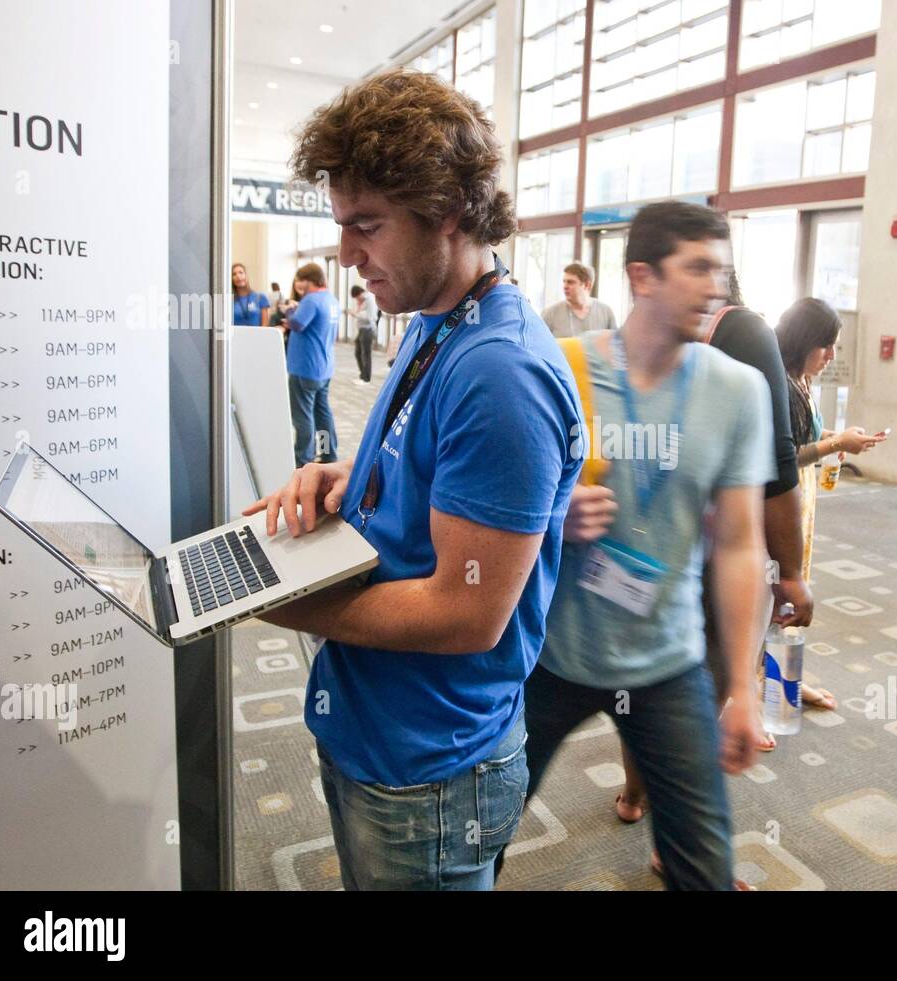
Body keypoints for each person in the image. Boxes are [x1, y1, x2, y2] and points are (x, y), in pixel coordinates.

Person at [243, 68, 582, 891]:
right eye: (342, 226)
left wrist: (273, 597)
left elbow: (468, 611)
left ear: (450, 211)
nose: (348, 255)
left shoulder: (499, 371)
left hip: (430, 766)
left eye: (368, 226)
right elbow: (420, 470)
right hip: (379, 728)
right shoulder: (437, 322)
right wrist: (347, 476)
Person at [501, 201, 772, 890]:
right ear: (643, 276)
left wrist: (743, 686)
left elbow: (741, 546)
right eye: (700, 267)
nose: (718, 286)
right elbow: (490, 496)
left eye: (724, 270)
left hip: (666, 662)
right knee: (477, 835)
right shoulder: (559, 368)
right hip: (549, 652)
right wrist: (551, 515)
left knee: (705, 867)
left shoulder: (738, 391)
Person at [612, 267, 810, 835]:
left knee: (648, 676)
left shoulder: (643, 330)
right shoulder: (745, 330)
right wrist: (792, 573)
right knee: (702, 684)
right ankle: (672, 836)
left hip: (641, 535)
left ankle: (633, 794)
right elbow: (779, 461)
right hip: (709, 544)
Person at [776, 297, 885, 709]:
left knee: (794, 587)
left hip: (803, 497)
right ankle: (755, 693)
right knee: (778, 593)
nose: (831, 355)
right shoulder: (780, 384)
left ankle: (786, 681)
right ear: (804, 340)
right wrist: (836, 443)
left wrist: (838, 439)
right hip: (783, 494)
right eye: (826, 345)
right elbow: (784, 456)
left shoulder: (801, 380)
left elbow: (808, 441)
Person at [284, 262, 340, 466]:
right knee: (323, 414)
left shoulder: (311, 300)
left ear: (311, 281)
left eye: (302, 281)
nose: (300, 285)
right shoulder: (332, 300)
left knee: (303, 416)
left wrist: (290, 311)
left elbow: (297, 324)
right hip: (324, 368)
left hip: (305, 367)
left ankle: (303, 459)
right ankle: (327, 453)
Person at [541, 262, 618, 338]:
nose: (565, 286)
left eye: (570, 282)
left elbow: (616, 345)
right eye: (564, 281)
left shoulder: (606, 312)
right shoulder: (550, 314)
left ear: (587, 285)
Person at [348, 284, 379, 385]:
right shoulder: (362, 301)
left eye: (357, 297)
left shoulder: (369, 299)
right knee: (358, 353)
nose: (357, 299)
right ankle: (362, 375)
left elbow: (372, 317)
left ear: (360, 293)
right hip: (362, 329)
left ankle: (366, 378)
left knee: (366, 354)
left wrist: (356, 314)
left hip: (368, 329)